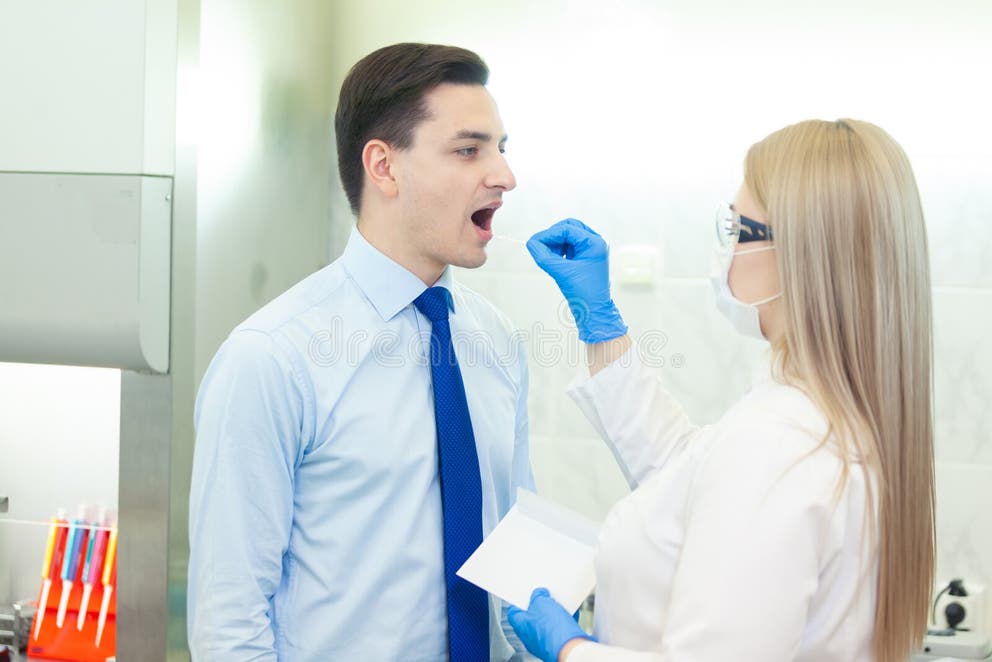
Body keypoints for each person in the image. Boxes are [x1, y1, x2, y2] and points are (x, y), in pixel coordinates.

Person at [507, 119, 935, 662]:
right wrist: (601, 325)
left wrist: (569, 650)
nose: (726, 248)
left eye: (737, 229)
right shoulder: (826, 418)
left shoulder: (780, 445)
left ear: (801, 251)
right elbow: (694, 478)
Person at [187, 43, 534, 661]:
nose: (504, 176)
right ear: (384, 166)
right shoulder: (273, 358)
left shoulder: (498, 342)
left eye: (501, 149)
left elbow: (513, 570)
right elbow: (229, 621)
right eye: (469, 149)